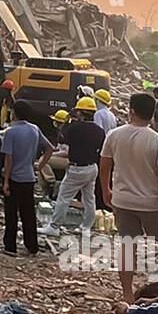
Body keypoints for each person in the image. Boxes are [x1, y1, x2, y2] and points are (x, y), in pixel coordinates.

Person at [101, 93, 158, 300]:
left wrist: (106, 191)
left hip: (123, 201)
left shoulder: (114, 135)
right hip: (153, 204)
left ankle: (127, 294)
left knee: (127, 246)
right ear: (152, 113)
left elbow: (105, 166)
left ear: (131, 110)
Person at [40, 97, 105, 236]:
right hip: (92, 168)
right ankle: (86, 228)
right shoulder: (100, 131)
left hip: (77, 168)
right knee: (89, 198)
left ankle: (54, 226)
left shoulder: (73, 128)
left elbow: (66, 147)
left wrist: (68, 120)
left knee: (63, 198)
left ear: (80, 113)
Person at [0, 100, 52, 256]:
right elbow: (50, 148)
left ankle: (10, 247)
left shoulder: (10, 132)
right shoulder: (34, 129)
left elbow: (8, 159)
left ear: (15, 113)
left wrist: (6, 181)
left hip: (15, 178)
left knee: (11, 214)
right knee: (28, 214)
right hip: (29, 178)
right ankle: (32, 246)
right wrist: (39, 166)